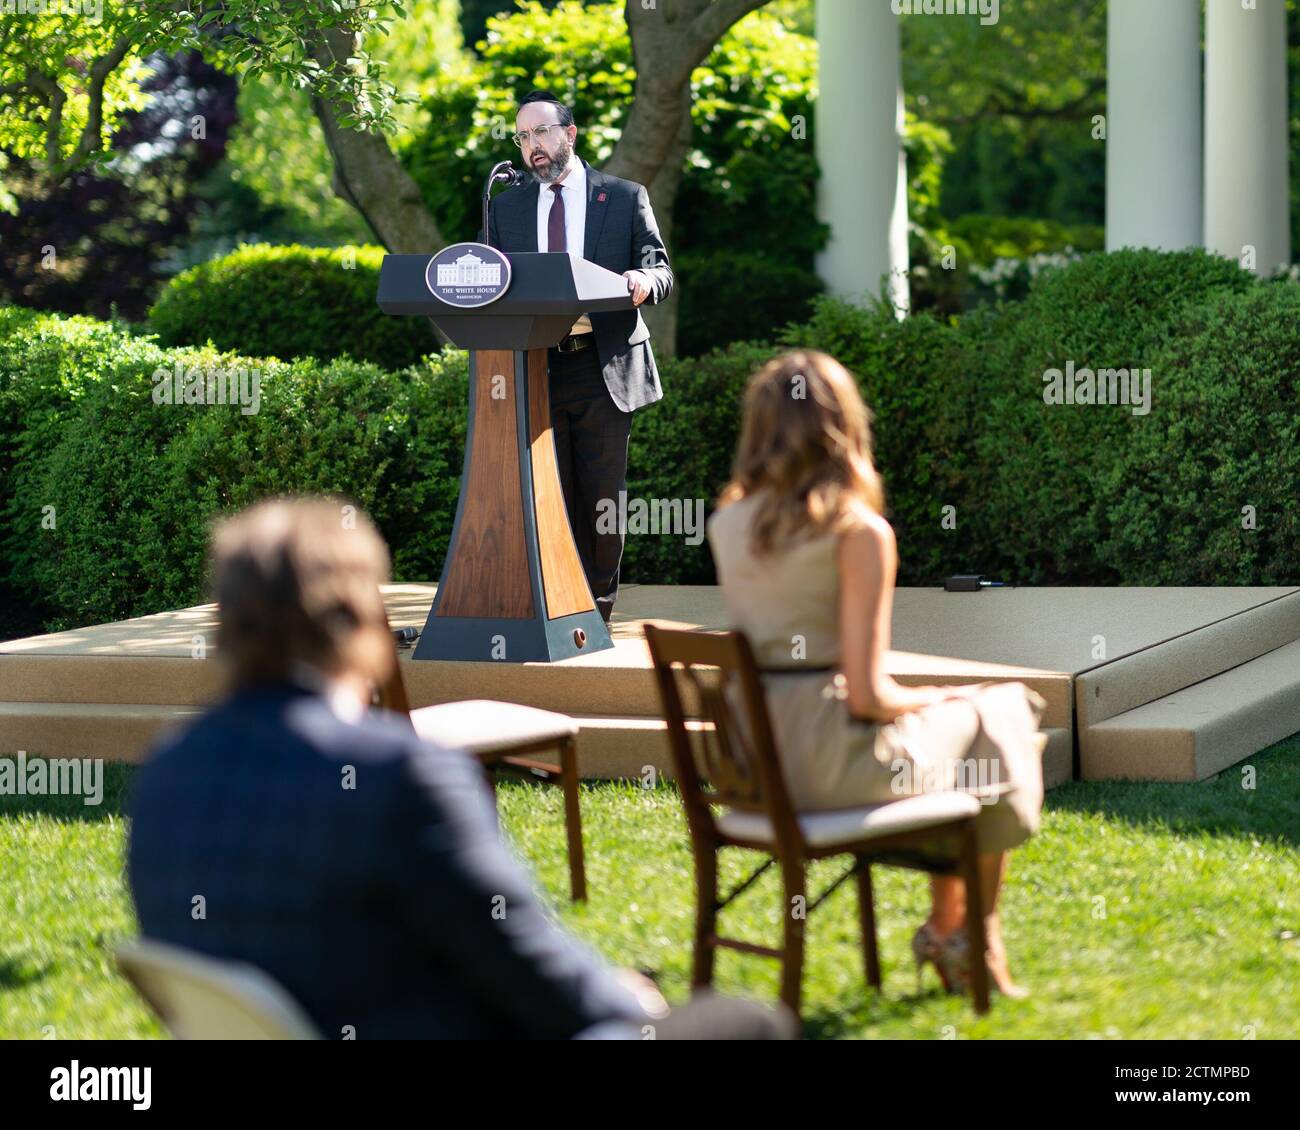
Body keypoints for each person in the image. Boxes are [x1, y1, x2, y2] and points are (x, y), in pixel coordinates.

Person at [127, 497, 793, 1040]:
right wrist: (635, 1002)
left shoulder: (167, 774)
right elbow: (538, 980)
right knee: (746, 1025)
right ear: (359, 622)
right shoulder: (399, 776)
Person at [706, 351, 1047, 998]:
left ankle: (959, 931)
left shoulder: (727, 526)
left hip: (752, 762)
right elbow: (867, 695)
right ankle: (968, 933)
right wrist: (945, 696)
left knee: (984, 725)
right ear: (844, 426)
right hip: (836, 764)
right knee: (1003, 711)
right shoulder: (858, 533)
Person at [483, 89, 673, 623]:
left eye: (541, 133)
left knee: (602, 498)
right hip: (536, 365)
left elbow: (661, 269)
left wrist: (642, 279)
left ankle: (597, 610)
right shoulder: (508, 205)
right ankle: (554, 606)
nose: (531, 146)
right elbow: (488, 278)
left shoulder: (623, 195)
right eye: (522, 137)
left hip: (603, 364)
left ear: (569, 134)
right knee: (550, 493)